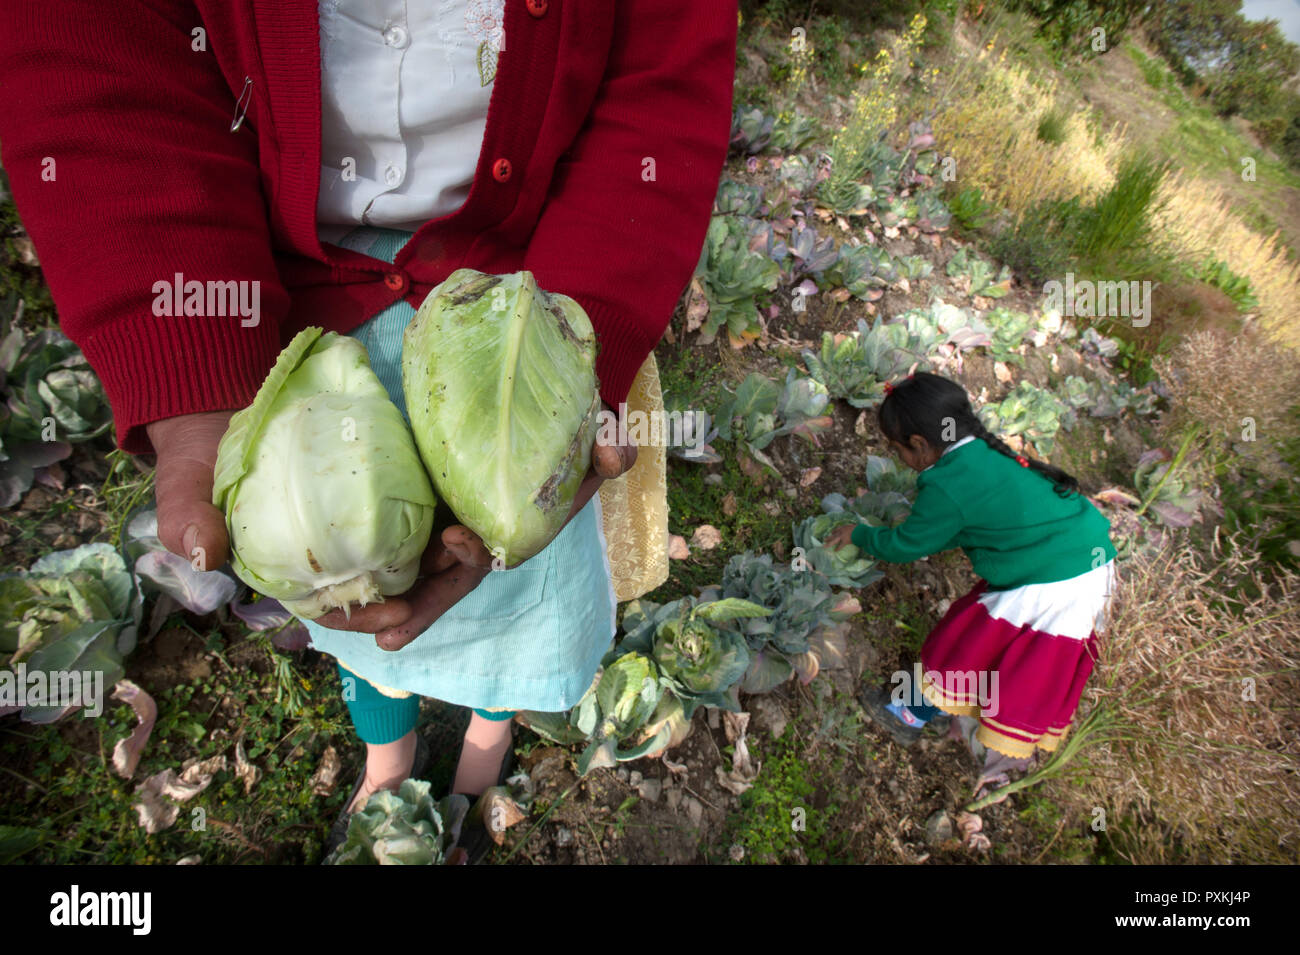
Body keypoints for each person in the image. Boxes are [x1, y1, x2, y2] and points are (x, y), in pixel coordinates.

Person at [0, 0, 737, 856]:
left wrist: (566, 352)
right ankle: (387, 761)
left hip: (524, 309)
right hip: (301, 319)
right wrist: (192, 358)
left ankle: (485, 742)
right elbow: (99, 61)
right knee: (365, 614)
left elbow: (664, 76)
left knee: (514, 569)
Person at [827, 373, 1117, 796]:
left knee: (968, 644)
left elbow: (907, 545)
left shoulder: (948, 484)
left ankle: (909, 714)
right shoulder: (981, 451)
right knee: (981, 636)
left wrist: (858, 535)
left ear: (920, 445)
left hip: (1056, 585)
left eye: (897, 448)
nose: (897, 456)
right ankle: (944, 707)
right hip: (1083, 562)